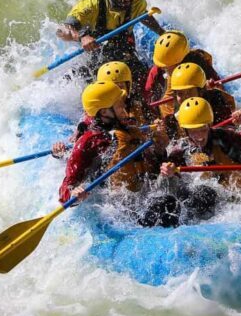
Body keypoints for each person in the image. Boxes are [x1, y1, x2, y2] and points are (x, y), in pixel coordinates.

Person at [57, 81, 175, 226]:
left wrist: (160, 149)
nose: (124, 108)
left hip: (141, 194)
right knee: (165, 207)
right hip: (115, 208)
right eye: (119, 105)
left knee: (170, 204)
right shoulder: (88, 142)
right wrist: (74, 194)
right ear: (104, 112)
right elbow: (66, 186)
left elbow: (151, 165)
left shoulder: (130, 128)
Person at [158, 98, 241, 218]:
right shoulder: (180, 151)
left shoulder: (227, 138)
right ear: (185, 130)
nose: (199, 136)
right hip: (211, 207)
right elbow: (163, 189)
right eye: (193, 130)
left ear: (209, 125)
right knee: (202, 193)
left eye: (203, 129)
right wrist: (167, 174)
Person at [56, 0, 165, 87]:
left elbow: (143, 15)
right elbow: (61, 30)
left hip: (124, 52)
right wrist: (82, 37)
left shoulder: (137, 0)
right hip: (97, 56)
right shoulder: (91, 4)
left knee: (144, 82)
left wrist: (161, 32)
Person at [51, 61, 158, 159]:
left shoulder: (138, 105)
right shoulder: (94, 118)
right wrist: (61, 152)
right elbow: (77, 148)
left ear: (128, 86)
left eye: (120, 87)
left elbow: (154, 124)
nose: (116, 93)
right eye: (111, 88)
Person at [164, 62, 241, 133]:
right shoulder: (173, 119)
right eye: (180, 93)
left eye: (190, 91)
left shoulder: (216, 103)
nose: (186, 97)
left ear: (200, 91)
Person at [143, 30, 222, 108]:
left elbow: (221, 91)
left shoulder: (201, 63)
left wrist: (210, 88)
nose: (162, 67)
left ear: (179, 63)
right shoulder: (157, 71)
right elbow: (159, 105)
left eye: (165, 66)